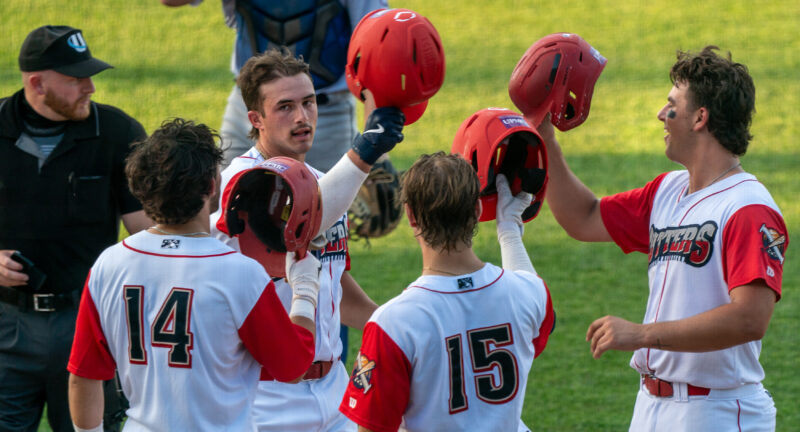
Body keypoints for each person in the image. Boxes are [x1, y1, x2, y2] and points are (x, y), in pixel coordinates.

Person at [537, 46, 788, 431]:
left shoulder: (746, 207)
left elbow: (749, 318)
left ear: (700, 118)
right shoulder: (667, 192)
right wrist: (543, 136)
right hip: (653, 407)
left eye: (672, 104)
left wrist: (641, 335)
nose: (661, 114)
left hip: (716, 413)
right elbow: (583, 218)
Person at [67, 118, 321, 432]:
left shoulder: (109, 264)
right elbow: (292, 366)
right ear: (213, 186)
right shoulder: (239, 273)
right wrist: (306, 288)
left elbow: (84, 375)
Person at [209, 48, 404, 431]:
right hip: (265, 400)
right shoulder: (242, 183)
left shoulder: (322, 182)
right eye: (284, 107)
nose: (302, 118)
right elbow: (297, 222)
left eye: (309, 102)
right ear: (255, 119)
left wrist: (398, 328)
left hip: (335, 390)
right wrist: (364, 153)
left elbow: (334, 287)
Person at [0, 25, 152, 432]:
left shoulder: (118, 134)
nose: (90, 88)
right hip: (5, 329)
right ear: (37, 82)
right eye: (75, 78)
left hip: (87, 326)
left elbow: (147, 233)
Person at [339, 152, 556, 432]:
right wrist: (509, 230)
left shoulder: (392, 323)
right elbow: (530, 292)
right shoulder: (529, 293)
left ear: (411, 216)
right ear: (477, 211)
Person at [159, 0, 387, 172]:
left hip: (321, 116)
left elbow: (374, 47)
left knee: (321, 217)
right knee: (220, 206)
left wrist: (374, 144)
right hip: (247, 108)